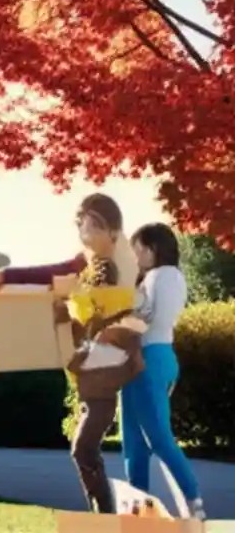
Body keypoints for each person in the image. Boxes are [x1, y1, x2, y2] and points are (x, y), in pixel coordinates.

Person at [0, 193, 136, 514]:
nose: (83, 233)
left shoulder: (113, 268)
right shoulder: (86, 266)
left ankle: (108, 515)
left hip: (108, 375)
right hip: (95, 377)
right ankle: (107, 514)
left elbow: (103, 313)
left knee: (86, 450)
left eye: (91, 226)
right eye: (80, 226)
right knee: (92, 451)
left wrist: (69, 311)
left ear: (112, 231)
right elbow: (45, 275)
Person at [123, 223, 206, 521]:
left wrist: (124, 317)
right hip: (137, 359)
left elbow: (155, 320)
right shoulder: (152, 278)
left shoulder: (166, 275)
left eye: (139, 250)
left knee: (158, 437)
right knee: (133, 442)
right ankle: (138, 510)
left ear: (154, 249)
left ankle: (193, 499)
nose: (136, 256)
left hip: (151, 358)